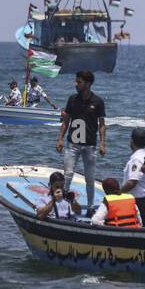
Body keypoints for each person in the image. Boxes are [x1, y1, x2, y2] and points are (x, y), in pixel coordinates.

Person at [56, 70, 106, 214]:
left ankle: (90, 207)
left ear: (88, 84)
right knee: (68, 174)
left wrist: (103, 143)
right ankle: (64, 204)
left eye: (79, 82)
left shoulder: (98, 101)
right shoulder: (72, 99)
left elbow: (102, 124)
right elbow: (66, 121)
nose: (75, 84)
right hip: (72, 145)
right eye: (76, 81)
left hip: (89, 146)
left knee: (90, 179)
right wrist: (59, 139)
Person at [121, 127, 145, 225]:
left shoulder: (136, 159)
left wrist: (118, 193)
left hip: (137, 201)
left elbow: (132, 182)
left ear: (132, 141)